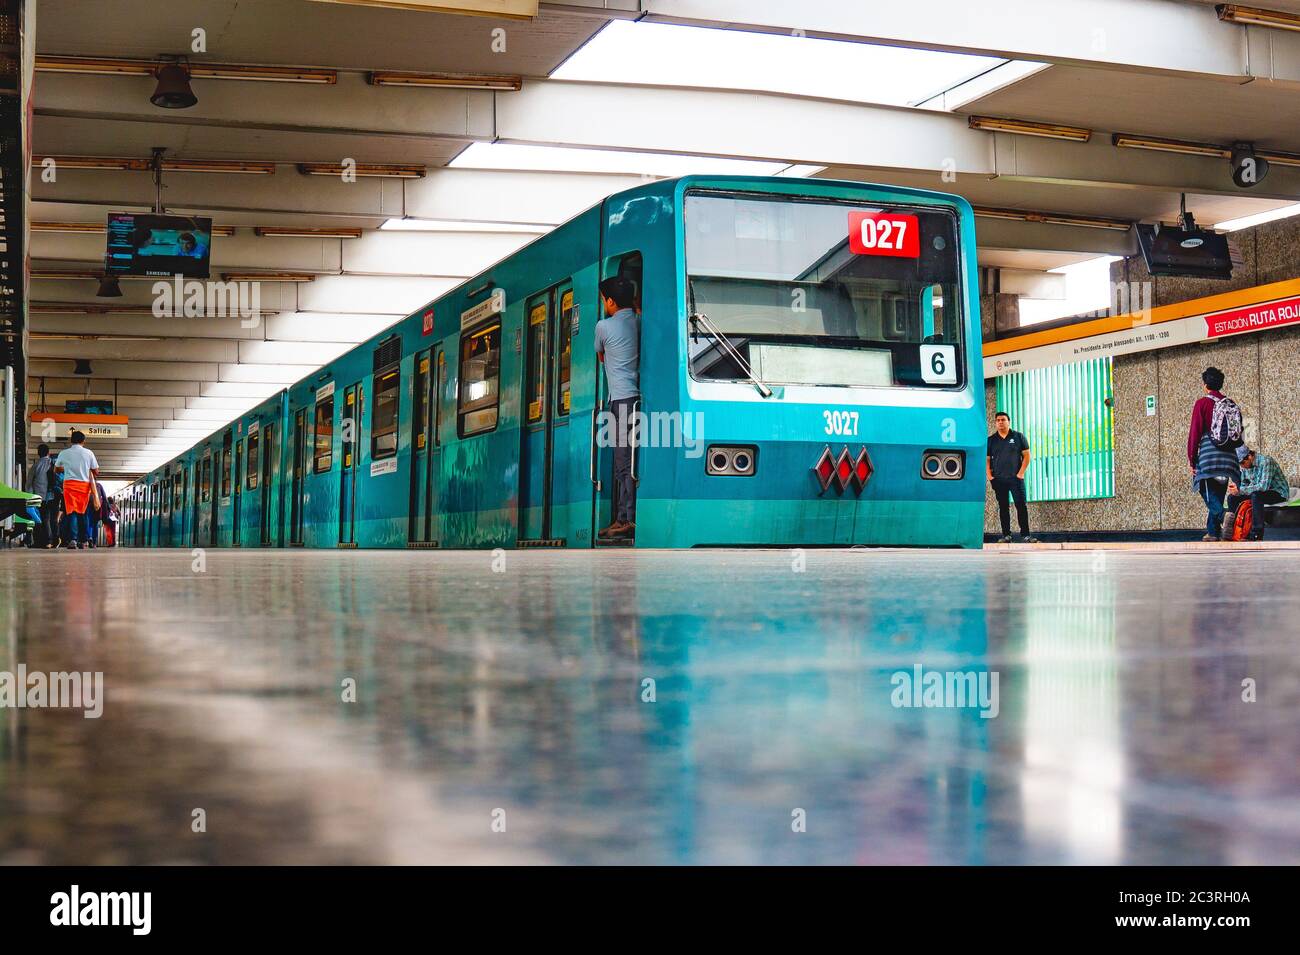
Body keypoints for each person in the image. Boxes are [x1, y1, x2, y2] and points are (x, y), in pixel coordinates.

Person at [595, 276, 640, 541]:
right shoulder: (639, 321)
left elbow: (601, 356)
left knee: (623, 462)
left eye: (604, 300)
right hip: (638, 398)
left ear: (610, 301)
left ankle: (626, 520)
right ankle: (625, 516)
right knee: (632, 459)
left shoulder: (603, 326)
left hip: (620, 399)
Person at [1188, 366, 1241, 541]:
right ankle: (1213, 532)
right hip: (1230, 458)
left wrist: (1192, 460)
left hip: (1210, 456)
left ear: (1205, 385)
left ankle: (1223, 515)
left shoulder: (1202, 403)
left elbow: (1195, 433)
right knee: (1217, 494)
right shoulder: (1230, 403)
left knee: (1203, 486)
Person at [986, 411, 1038, 544]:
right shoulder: (991, 440)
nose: (1000, 422)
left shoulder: (1018, 437)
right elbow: (987, 460)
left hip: (1016, 479)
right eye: (998, 420)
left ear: (1008, 421)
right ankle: (1006, 535)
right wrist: (990, 477)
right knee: (1003, 507)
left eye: (1003, 420)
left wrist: (1020, 474)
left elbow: (1027, 456)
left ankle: (1026, 535)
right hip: (999, 480)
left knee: (1021, 506)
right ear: (995, 423)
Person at [1225, 446, 1290, 541]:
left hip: (1278, 492)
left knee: (1256, 496)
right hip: (1256, 492)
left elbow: (1263, 487)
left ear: (1250, 456)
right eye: (1240, 464)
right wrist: (1237, 490)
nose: (1242, 466)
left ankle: (1256, 534)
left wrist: (1241, 490)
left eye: (1242, 463)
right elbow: (1244, 484)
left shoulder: (1266, 461)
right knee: (1232, 497)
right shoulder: (1245, 467)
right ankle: (1233, 531)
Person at [54, 431, 101, 550]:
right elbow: (96, 471)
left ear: (71, 440)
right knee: (82, 512)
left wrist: (67, 468)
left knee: (71, 512)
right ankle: (83, 540)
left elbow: (56, 469)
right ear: (83, 441)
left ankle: (73, 540)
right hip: (83, 486)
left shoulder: (64, 453)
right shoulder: (88, 453)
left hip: (69, 485)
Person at [27, 443, 57, 548]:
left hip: (39, 497)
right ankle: (52, 541)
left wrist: (30, 497)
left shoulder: (36, 465)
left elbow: (29, 483)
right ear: (48, 453)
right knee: (52, 519)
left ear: (38, 453)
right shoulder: (53, 463)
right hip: (53, 496)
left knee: (40, 519)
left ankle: (42, 541)